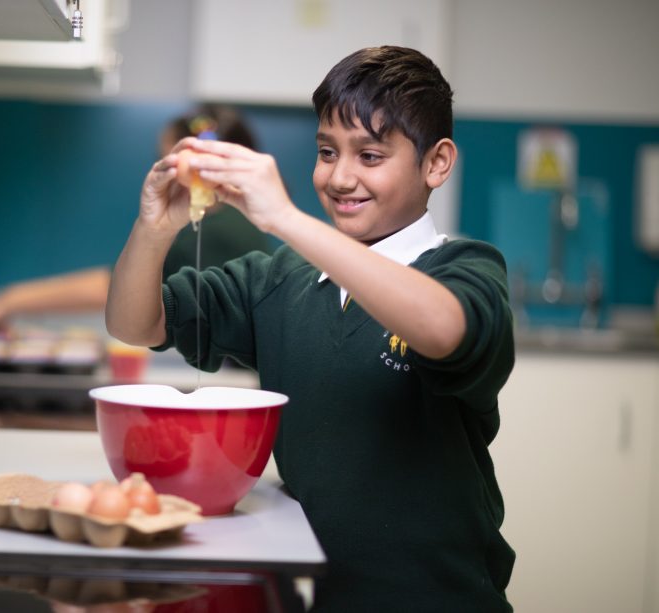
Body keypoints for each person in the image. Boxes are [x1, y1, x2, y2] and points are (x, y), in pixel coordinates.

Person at [104, 46, 515, 611]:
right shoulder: (279, 278)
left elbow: (443, 328)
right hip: (314, 595)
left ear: (436, 163)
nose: (341, 177)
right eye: (327, 152)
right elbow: (135, 322)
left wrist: (284, 218)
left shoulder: (464, 267)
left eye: (370, 156)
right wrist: (154, 228)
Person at [0, 104, 272, 332]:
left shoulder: (219, 232)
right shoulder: (223, 223)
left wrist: (6, 302)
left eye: (173, 163)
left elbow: (115, 289)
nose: (167, 174)